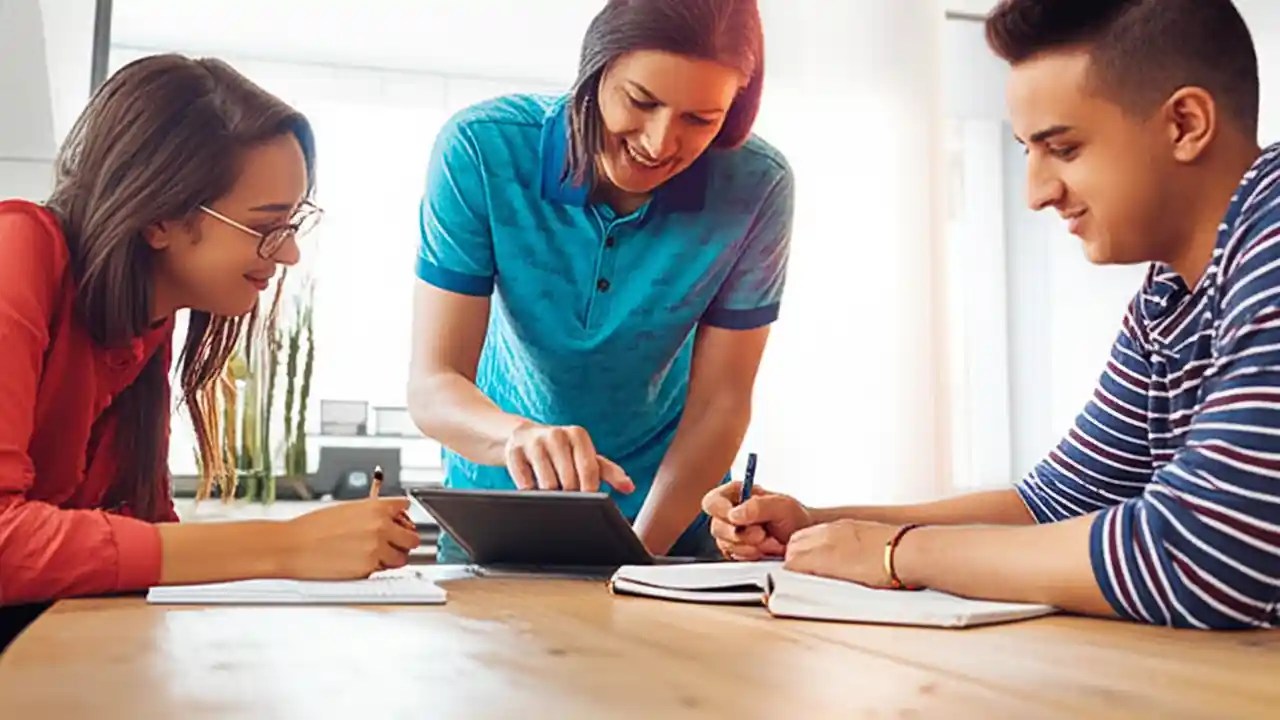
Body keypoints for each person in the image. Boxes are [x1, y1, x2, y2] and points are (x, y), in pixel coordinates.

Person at [704, 0, 1280, 630]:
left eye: (1063, 148)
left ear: (1185, 123)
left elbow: (1203, 557)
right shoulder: (1167, 299)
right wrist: (823, 529)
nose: (1036, 192)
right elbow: (1053, 506)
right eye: (1027, 151)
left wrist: (899, 553)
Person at [0, 54, 418, 650]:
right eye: (266, 225)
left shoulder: (147, 325)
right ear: (160, 218)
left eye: (295, 222)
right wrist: (287, 546)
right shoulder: (17, 251)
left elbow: (136, 536)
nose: (289, 253)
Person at [408, 0, 792, 562]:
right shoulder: (481, 149)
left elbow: (721, 404)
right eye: (641, 101)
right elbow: (434, 385)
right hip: (498, 523)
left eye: (699, 120)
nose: (660, 143)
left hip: (667, 527)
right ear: (595, 72)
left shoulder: (758, 186)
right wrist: (517, 437)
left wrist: (638, 558)